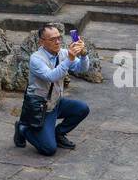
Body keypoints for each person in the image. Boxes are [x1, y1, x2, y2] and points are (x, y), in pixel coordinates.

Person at [13, 23, 90, 156]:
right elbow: (51, 76)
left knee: (82, 108)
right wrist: (69, 59)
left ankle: (58, 134)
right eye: (53, 39)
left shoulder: (64, 53)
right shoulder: (36, 59)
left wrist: (83, 55)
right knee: (48, 149)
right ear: (42, 42)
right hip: (41, 107)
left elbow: (82, 69)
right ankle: (23, 129)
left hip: (56, 102)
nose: (58, 41)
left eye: (59, 37)